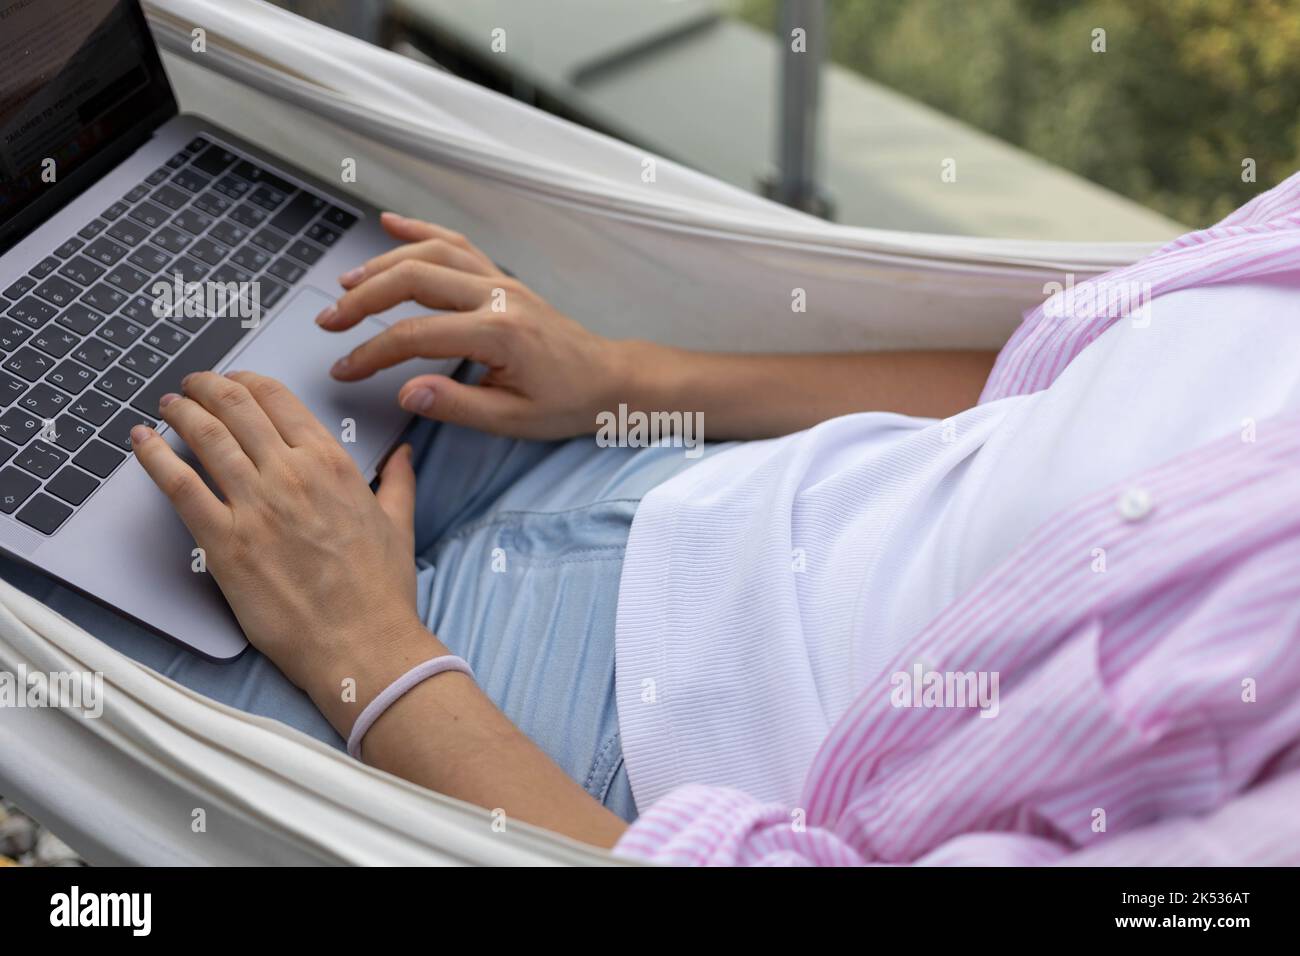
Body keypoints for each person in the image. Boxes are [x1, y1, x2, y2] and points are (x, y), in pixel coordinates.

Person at [8, 186, 1300, 862]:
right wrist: (627, 378)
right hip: (680, 470)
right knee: (104, 278)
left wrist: (365, 652)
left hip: (546, 755)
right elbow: (1052, 392)